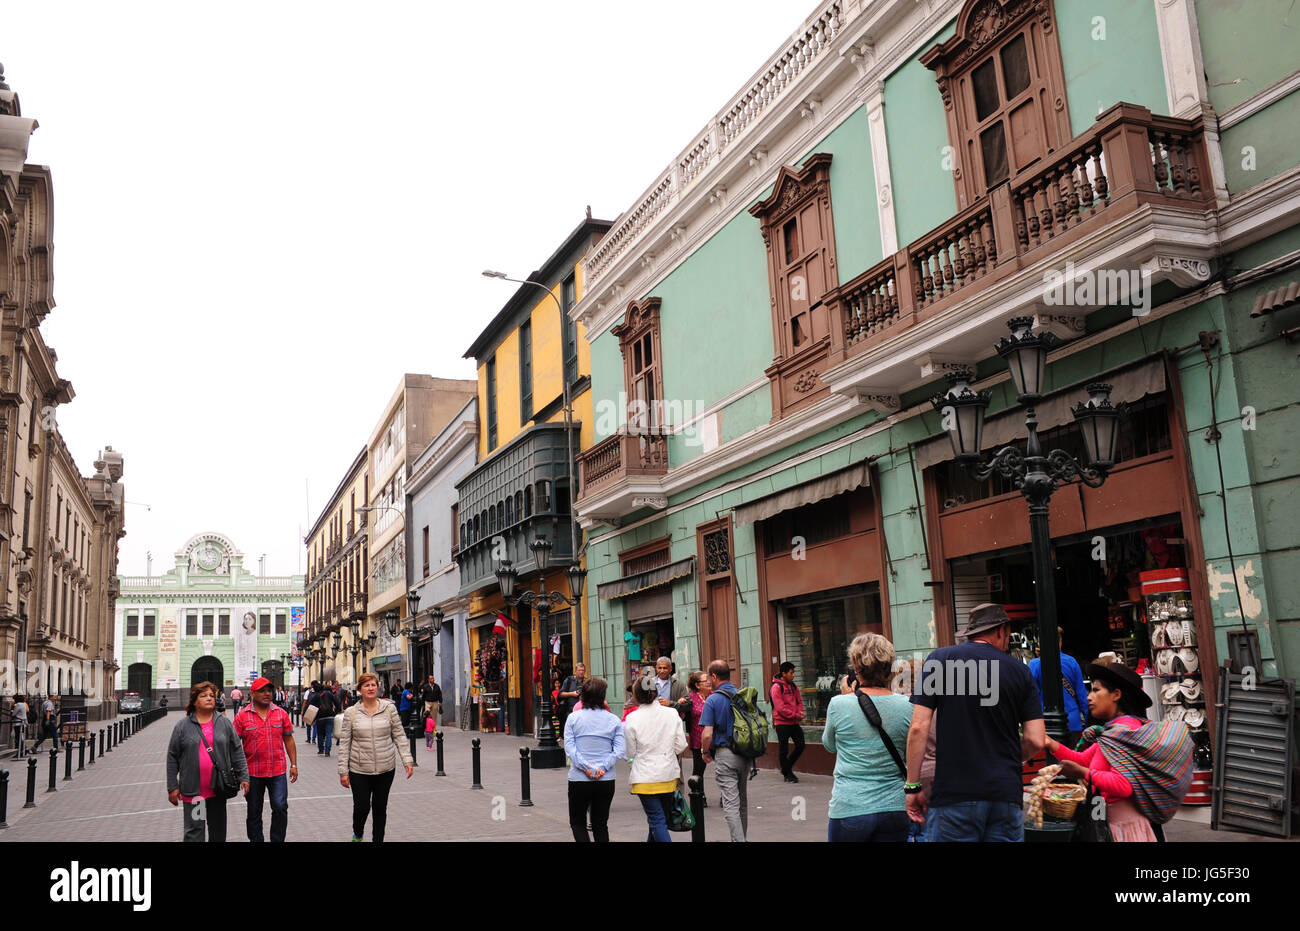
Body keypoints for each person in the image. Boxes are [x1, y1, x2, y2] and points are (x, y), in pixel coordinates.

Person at [905, 603, 1046, 842]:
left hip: (954, 794)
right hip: (1005, 794)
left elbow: (918, 728)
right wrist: (1007, 757)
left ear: (970, 634)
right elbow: (1035, 739)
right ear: (1002, 631)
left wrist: (912, 786)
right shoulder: (1020, 672)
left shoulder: (940, 660)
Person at [1046, 661, 1193, 841]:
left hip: (1126, 829)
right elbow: (1083, 759)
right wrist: (1050, 744)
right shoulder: (1110, 733)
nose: (1089, 697)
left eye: (1096, 690)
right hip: (1113, 824)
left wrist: (1083, 773)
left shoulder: (1124, 731)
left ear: (1116, 694)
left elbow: (1124, 785)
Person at [822, 633, 913, 842]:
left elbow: (829, 746)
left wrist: (847, 698)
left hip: (850, 806)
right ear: (890, 669)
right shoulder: (908, 705)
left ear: (855, 668)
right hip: (895, 807)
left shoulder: (838, 704)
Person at [166, 681, 249, 842]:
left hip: (218, 789)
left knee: (218, 833)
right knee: (195, 833)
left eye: (212, 695)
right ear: (194, 700)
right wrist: (172, 787)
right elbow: (172, 757)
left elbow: (236, 750)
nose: (209, 698)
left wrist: (244, 776)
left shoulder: (223, 723)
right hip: (194, 791)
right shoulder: (183, 726)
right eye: (204, 696)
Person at [337, 672, 413, 842]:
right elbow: (344, 743)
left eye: (373, 685)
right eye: (366, 685)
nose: (370, 688)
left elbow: (399, 735)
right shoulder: (351, 712)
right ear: (360, 690)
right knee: (362, 807)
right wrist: (343, 771)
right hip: (359, 769)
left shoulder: (389, 708)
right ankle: (358, 833)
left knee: (380, 808)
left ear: (378, 687)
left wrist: (407, 760)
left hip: (385, 768)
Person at [624, 667, 688, 842]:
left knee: (656, 820)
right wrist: (665, 753)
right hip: (668, 774)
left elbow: (630, 752)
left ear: (636, 695)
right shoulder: (671, 713)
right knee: (658, 820)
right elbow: (681, 745)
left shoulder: (632, 718)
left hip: (645, 776)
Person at [233, 677, 298, 843]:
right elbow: (234, 745)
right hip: (252, 773)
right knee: (254, 811)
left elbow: (289, 739)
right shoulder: (242, 716)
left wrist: (294, 764)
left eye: (269, 690)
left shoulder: (281, 713)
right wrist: (239, 773)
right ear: (253, 693)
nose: (267, 694)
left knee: (280, 806)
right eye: (262, 691)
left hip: (277, 771)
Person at [563, 676, 625, 842]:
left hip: (579, 778)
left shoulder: (573, 718)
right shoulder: (613, 720)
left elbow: (570, 748)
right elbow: (619, 749)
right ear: (602, 696)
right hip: (605, 779)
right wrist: (602, 768)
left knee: (578, 823)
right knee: (600, 824)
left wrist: (586, 767)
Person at [699, 659, 749, 842]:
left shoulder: (712, 699)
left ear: (713, 676)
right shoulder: (742, 694)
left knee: (730, 804)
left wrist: (705, 752)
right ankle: (743, 837)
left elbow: (707, 734)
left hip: (726, 754)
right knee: (742, 802)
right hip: (745, 753)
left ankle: (738, 840)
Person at [1029, 626, 1089, 747]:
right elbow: (1082, 697)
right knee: (1073, 760)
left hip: (1047, 725)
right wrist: (1088, 724)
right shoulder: (1072, 662)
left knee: (1054, 763)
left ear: (1040, 642)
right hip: (1072, 722)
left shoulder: (1034, 665)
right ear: (1060, 641)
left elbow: (1031, 699)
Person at [770, 661, 806, 783]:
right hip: (782, 723)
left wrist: (800, 712)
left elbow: (799, 701)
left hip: (794, 722)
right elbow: (780, 708)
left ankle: (786, 768)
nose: (793, 675)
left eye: (794, 672)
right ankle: (788, 774)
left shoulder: (793, 686)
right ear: (784, 674)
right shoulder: (776, 687)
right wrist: (795, 715)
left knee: (800, 745)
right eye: (791, 673)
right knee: (783, 750)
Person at [686, 671, 711, 806]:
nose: (709, 681)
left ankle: (725, 796)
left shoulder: (714, 696)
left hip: (716, 738)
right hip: (698, 739)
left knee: (724, 769)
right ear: (697, 685)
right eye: (705, 680)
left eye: (709, 679)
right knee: (699, 769)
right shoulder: (690, 698)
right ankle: (699, 795)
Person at [653, 657, 690, 722]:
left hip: (672, 722)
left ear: (670, 669)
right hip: (653, 721)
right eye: (659, 668)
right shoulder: (649, 683)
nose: (662, 671)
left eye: (665, 668)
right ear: (656, 668)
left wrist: (670, 703)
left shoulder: (679, 684)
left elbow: (688, 706)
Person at [557, 662, 586, 736]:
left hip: (583, 712)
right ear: (575, 671)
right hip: (570, 711)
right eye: (579, 670)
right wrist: (572, 694)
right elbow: (560, 694)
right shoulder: (569, 680)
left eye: (583, 670)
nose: (581, 672)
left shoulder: (587, 682)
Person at [312, 680, 339, 756]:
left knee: (320, 733)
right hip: (330, 716)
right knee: (328, 734)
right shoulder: (330, 694)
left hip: (320, 717)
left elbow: (310, 705)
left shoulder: (316, 695)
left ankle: (321, 749)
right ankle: (327, 751)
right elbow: (336, 702)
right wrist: (338, 710)